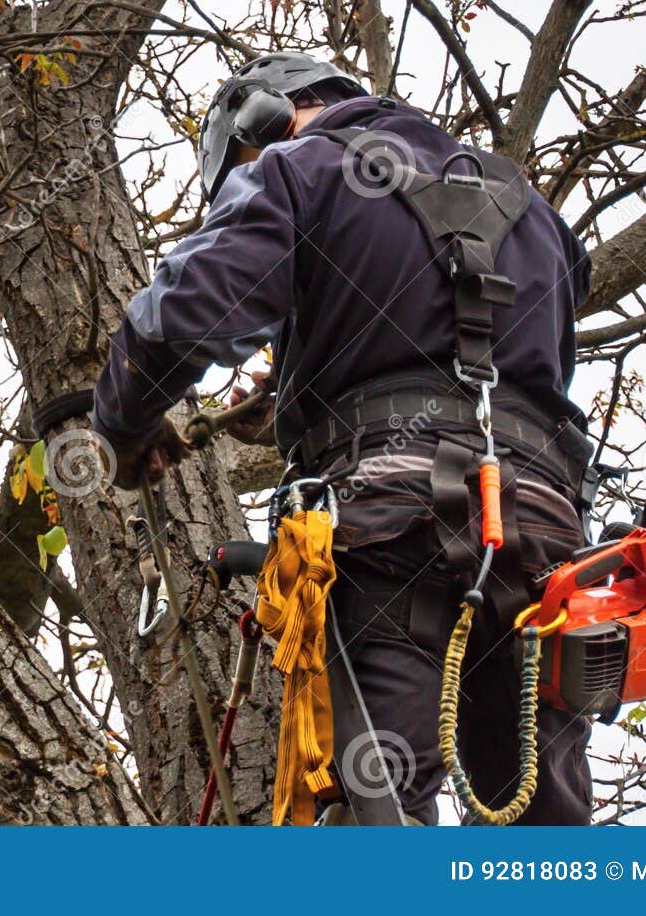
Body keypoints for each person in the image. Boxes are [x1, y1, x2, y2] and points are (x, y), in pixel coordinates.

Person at [90, 51, 595, 825]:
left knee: (375, 815)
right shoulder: (536, 213)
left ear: (263, 118)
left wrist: (123, 421)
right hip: (546, 544)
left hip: (397, 525)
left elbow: (180, 315)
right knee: (548, 842)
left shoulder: (299, 168)